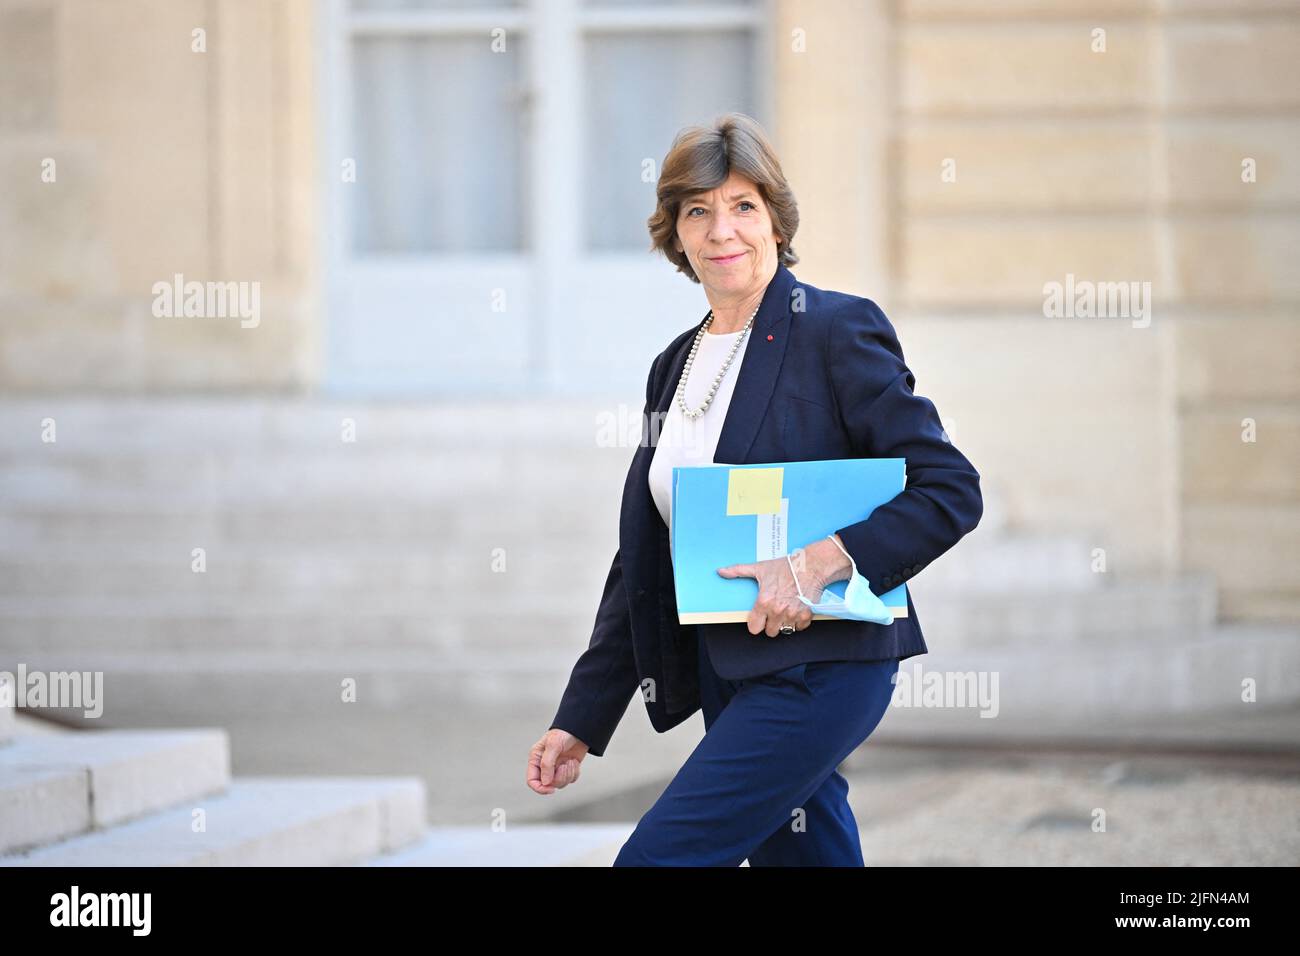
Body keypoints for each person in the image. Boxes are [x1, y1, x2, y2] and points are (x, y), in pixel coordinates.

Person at [525, 113, 983, 865]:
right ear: (675, 233)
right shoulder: (673, 365)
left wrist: (812, 564)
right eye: (697, 211)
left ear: (775, 220)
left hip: (821, 667)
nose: (721, 230)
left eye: (742, 206)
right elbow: (645, 558)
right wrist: (584, 715)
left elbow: (949, 488)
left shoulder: (834, 331)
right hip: (727, 670)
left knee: (656, 859)